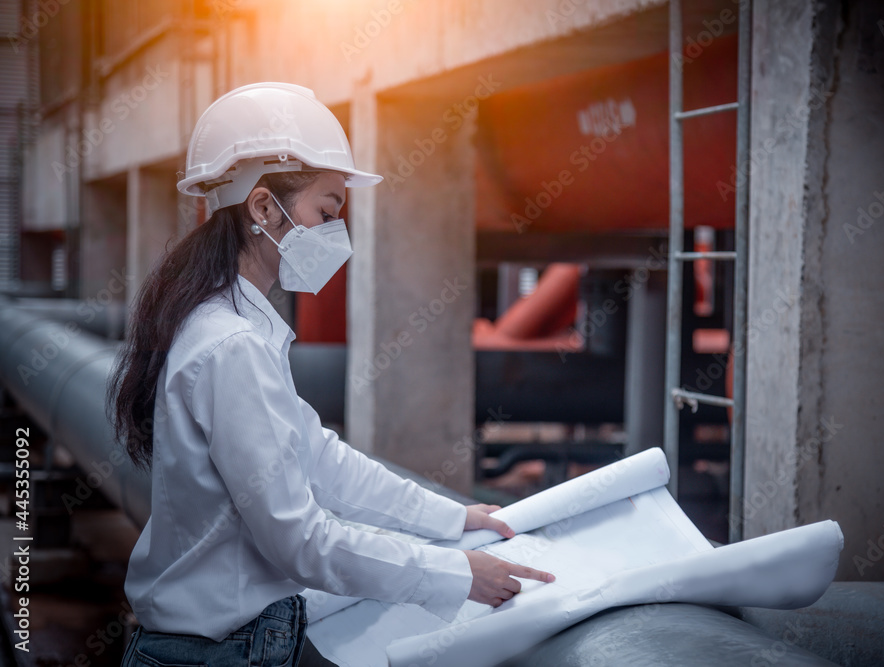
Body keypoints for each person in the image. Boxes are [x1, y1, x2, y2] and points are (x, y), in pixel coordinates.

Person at [109, 82, 553, 667]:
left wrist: (452, 518)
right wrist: (455, 574)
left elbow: (319, 458)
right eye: (326, 211)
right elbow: (299, 541)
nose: (333, 234)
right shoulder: (232, 346)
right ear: (263, 208)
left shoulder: (225, 325)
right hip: (219, 653)